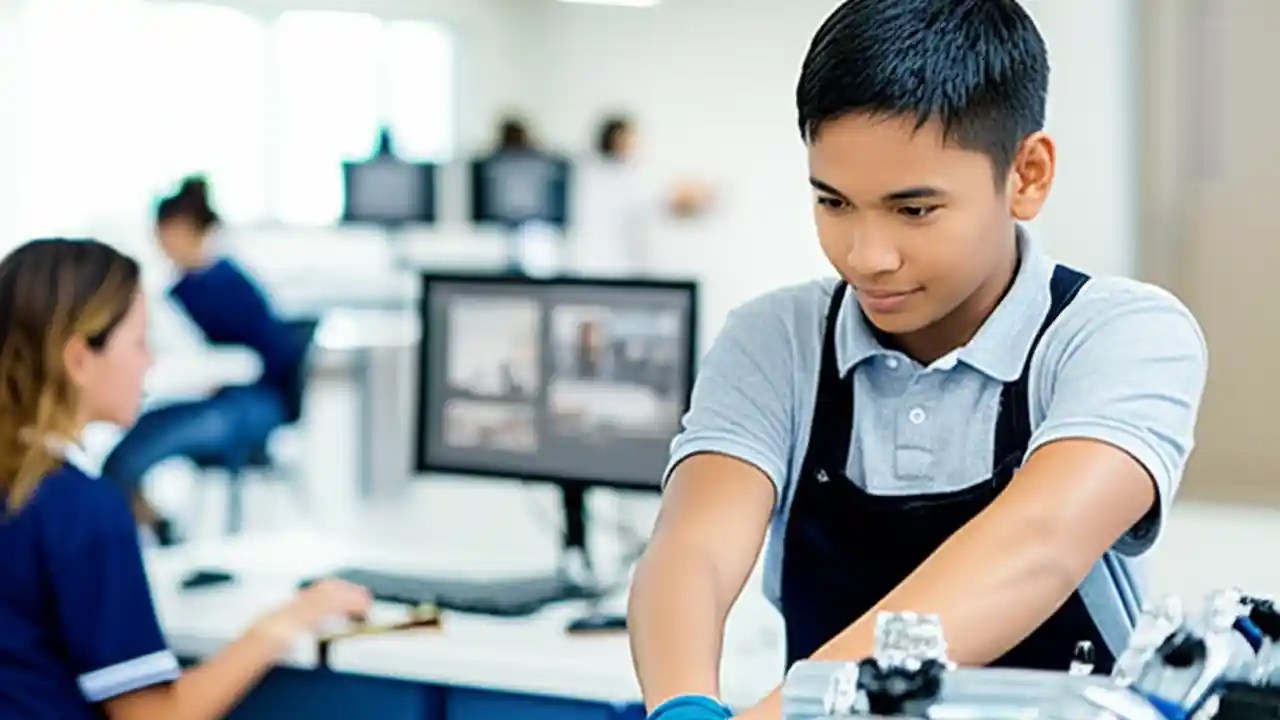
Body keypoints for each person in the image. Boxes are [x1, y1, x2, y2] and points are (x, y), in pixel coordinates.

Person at [626, 2, 1208, 719]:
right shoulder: (775, 339)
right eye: (834, 203)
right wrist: (684, 704)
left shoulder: (1121, 335)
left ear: (1026, 174)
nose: (867, 257)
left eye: (914, 210)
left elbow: (1037, 546)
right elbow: (693, 549)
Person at [0, 238, 371, 719]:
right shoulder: (79, 510)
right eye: (138, 342)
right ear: (78, 360)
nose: (149, 362)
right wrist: (284, 623)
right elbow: (156, 717)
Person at [103, 177, 304, 543]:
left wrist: (221, 374)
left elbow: (264, 358)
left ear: (180, 229)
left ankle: (137, 534)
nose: (157, 241)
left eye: (161, 232)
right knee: (128, 447)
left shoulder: (222, 282)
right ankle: (154, 524)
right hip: (223, 395)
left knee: (130, 455)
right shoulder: (186, 286)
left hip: (251, 404)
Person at [571, 114, 712, 274]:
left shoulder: (583, 171)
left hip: (587, 272)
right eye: (630, 139)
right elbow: (676, 198)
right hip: (615, 274)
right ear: (618, 139)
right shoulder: (628, 180)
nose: (634, 145)